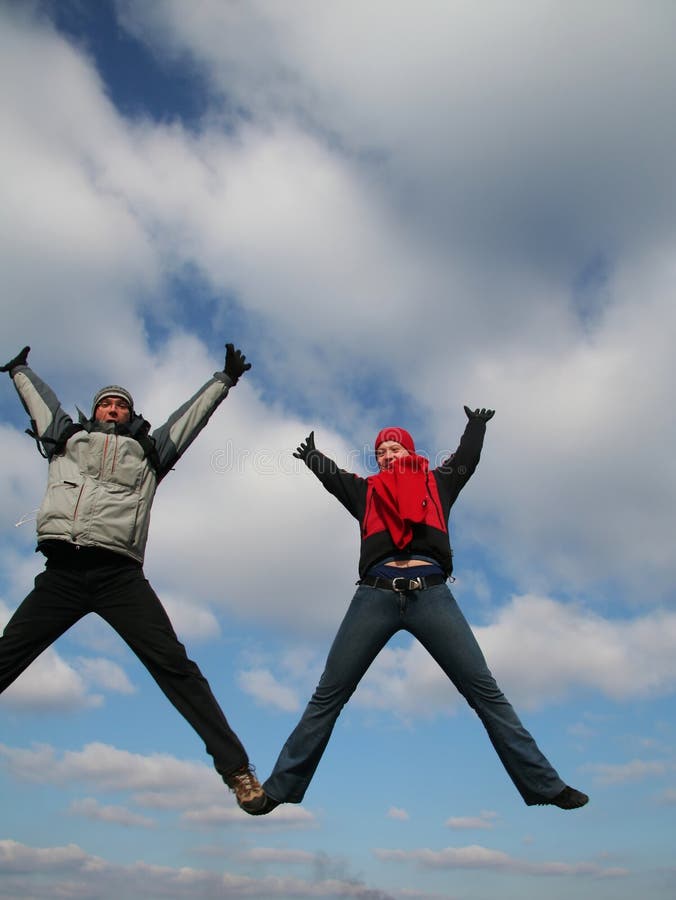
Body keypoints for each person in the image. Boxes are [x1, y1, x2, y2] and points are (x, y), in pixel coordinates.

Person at [254, 409, 589, 815]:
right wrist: (312, 456)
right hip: (374, 596)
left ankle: (547, 786)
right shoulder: (368, 492)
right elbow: (336, 479)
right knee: (328, 694)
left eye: (393, 448)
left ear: (409, 450)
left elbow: (467, 459)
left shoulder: (438, 483)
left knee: (485, 692)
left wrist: (476, 426)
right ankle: (277, 789)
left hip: (431, 596)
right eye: (380, 451)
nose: (386, 455)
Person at [0, 343, 266, 814]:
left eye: (122, 404)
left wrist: (223, 381)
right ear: (97, 409)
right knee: (6, 655)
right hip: (62, 573)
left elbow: (189, 420)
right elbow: (41, 402)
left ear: (130, 415)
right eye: (107, 402)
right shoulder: (65, 438)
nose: (114, 408)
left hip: (119, 575)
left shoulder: (149, 451)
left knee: (176, 668)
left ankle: (238, 772)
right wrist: (19, 369)